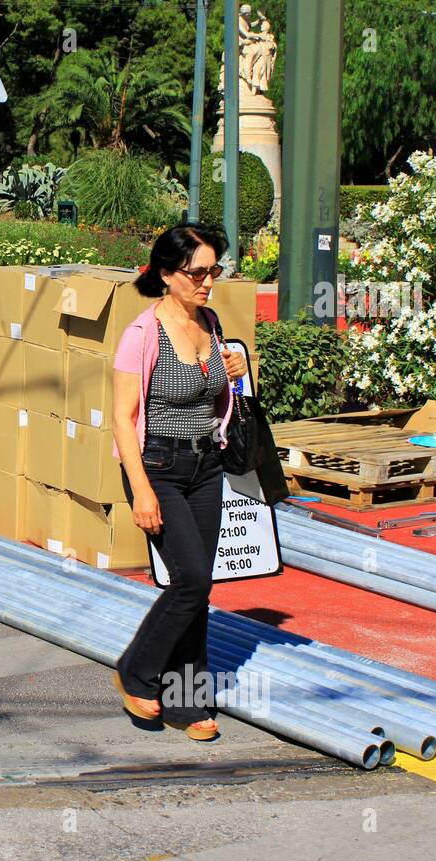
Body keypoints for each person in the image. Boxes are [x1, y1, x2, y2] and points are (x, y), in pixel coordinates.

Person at [110, 223, 249, 740]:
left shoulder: (210, 323)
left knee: (198, 586)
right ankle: (136, 670)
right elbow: (122, 418)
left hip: (205, 468)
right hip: (159, 469)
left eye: (215, 269)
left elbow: (215, 397)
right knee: (189, 580)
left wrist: (232, 366)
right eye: (197, 272)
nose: (208, 280)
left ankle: (187, 701)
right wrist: (141, 489)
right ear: (167, 274)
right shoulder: (141, 335)